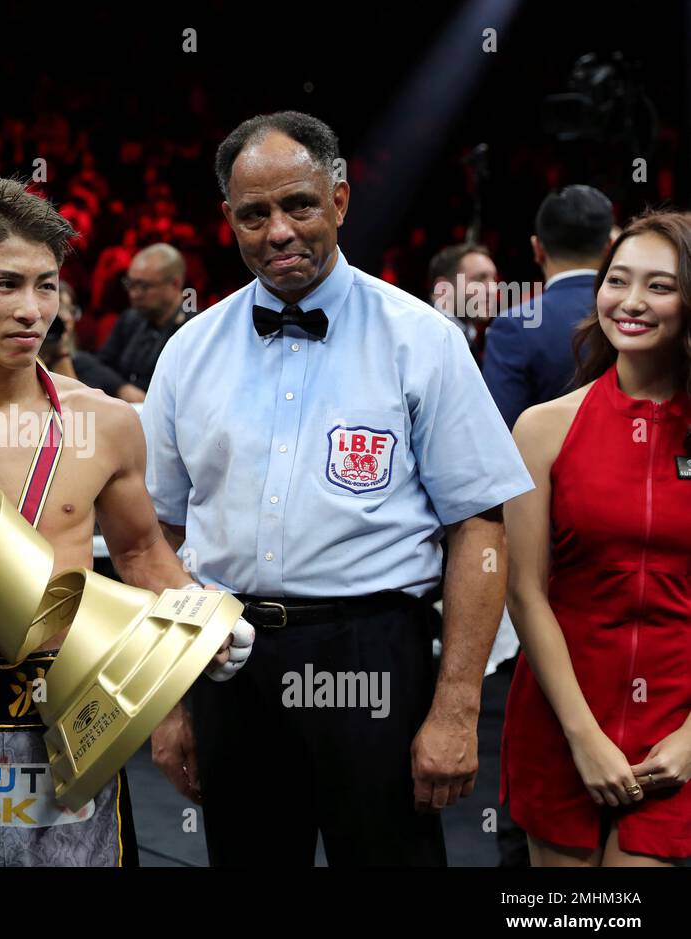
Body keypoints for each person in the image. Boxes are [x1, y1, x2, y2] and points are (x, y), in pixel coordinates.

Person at [142, 110, 535, 866]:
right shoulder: (189, 352)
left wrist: (457, 708)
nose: (279, 230)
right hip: (228, 657)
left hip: (373, 653)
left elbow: (481, 526)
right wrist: (167, 703)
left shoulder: (422, 340)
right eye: (254, 214)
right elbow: (157, 535)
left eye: (299, 205)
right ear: (229, 220)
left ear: (341, 201)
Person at [0, 177, 253, 867]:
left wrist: (200, 620)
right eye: (5, 284)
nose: (33, 310)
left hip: (69, 717)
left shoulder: (109, 424)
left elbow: (144, 555)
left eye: (47, 285)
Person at [501, 211, 691, 866]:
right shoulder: (542, 428)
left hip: (676, 723)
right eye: (618, 280)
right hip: (561, 715)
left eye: (660, 286)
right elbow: (525, 595)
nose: (632, 302)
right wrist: (582, 735)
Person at [483, 185, 615, 428]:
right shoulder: (635, 315)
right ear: (609, 247)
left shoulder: (514, 326)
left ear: (537, 248)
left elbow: (499, 434)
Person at [97, 243, 191, 397]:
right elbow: (99, 366)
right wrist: (122, 388)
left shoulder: (193, 329)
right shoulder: (130, 320)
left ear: (175, 284)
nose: (134, 294)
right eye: (130, 284)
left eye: (144, 286)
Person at [428, 241, 499, 364]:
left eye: (494, 280)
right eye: (479, 279)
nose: (493, 289)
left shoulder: (470, 339)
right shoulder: (420, 335)